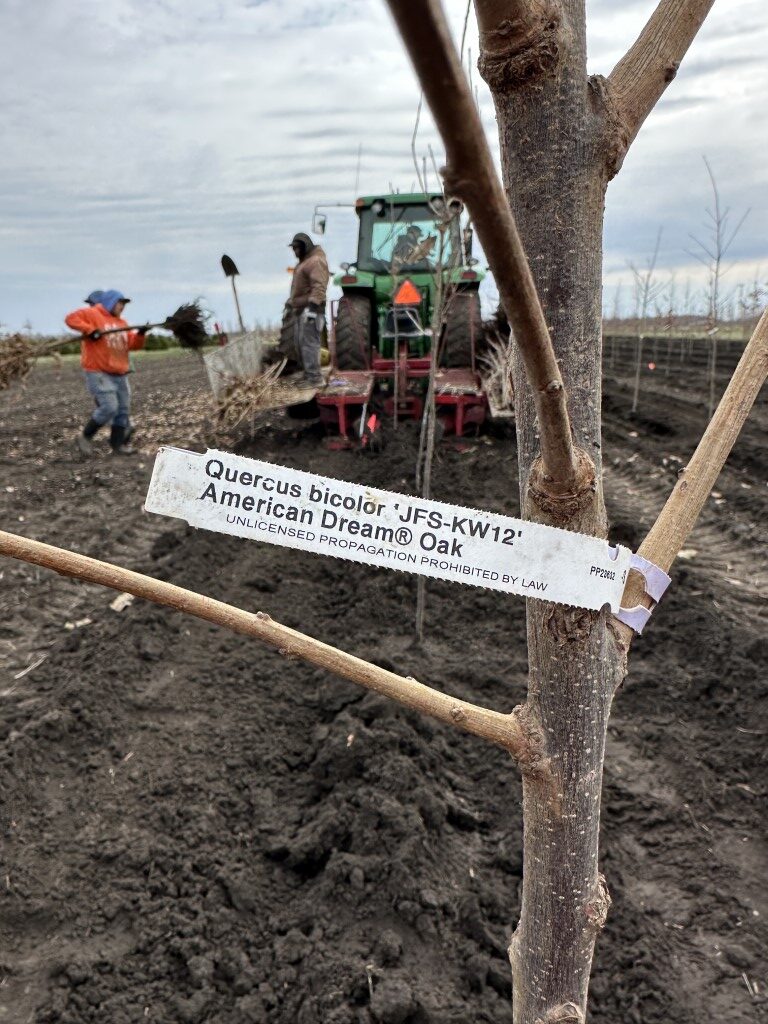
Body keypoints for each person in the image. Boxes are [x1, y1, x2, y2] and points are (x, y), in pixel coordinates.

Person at [64, 289, 147, 456]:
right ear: (109, 301)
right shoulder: (93, 313)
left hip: (120, 373)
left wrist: (140, 334)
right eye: (120, 302)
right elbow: (70, 319)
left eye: (124, 304)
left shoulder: (122, 323)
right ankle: (85, 437)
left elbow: (131, 345)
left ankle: (118, 446)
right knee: (109, 407)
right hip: (99, 372)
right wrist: (90, 330)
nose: (122, 306)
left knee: (122, 410)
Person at [285, 232, 329, 388]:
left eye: (297, 248)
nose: (295, 251)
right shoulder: (305, 262)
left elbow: (319, 287)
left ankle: (315, 378)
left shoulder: (315, 261)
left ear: (305, 246)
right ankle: (308, 375)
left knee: (310, 344)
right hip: (301, 310)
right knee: (301, 344)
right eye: (293, 248)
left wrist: (312, 309)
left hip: (311, 310)